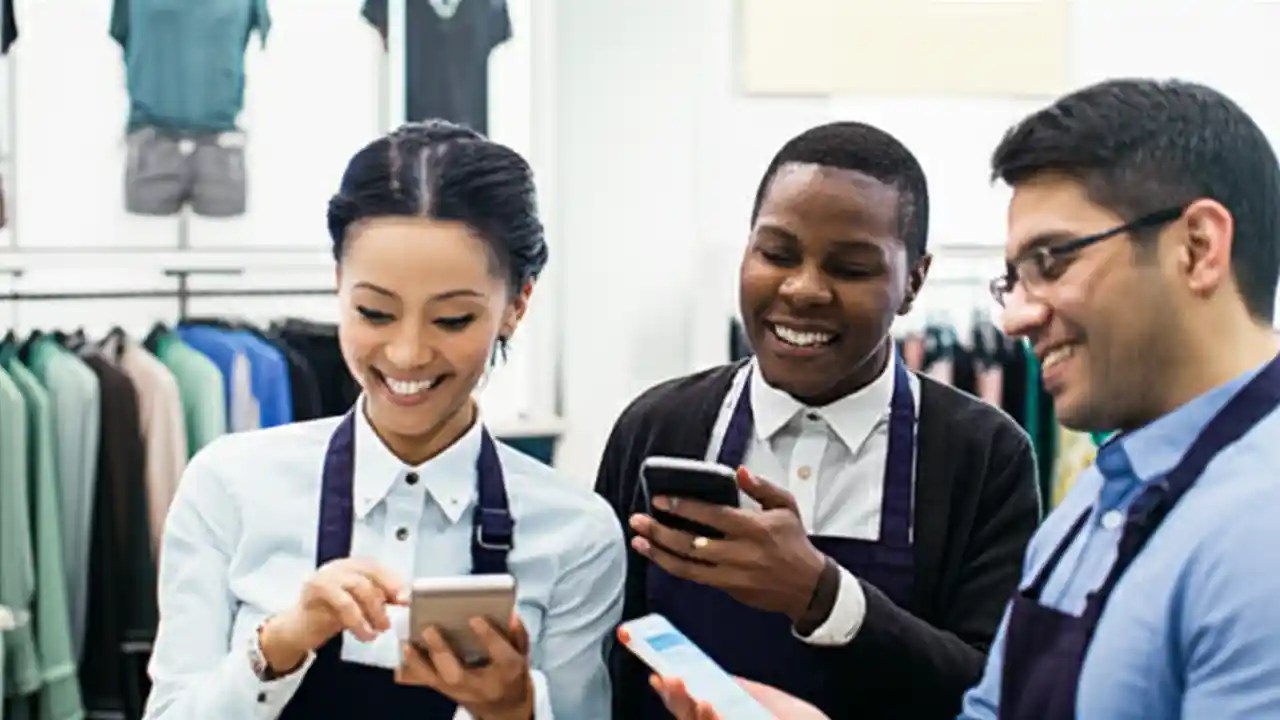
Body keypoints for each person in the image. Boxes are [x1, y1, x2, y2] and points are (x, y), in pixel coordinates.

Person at [142, 120, 626, 719]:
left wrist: (514, 710)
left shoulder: (576, 534)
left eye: (452, 320)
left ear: (517, 305)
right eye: (374, 312)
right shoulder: (230, 485)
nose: (407, 354)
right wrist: (281, 642)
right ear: (337, 284)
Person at [595, 122, 1043, 720]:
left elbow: (995, 693)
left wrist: (824, 598)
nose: (803, 289)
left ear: (914, 280)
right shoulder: (657, 428)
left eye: (851, 268)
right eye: (776, 254)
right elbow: (605, 670)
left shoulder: (984, 455)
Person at [959, 78, 1280, 719]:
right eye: (1011, 281)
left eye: (1051, 262)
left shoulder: (1261, 532)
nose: (1016, 317)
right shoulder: (1088, 507)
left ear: (1197, 249)